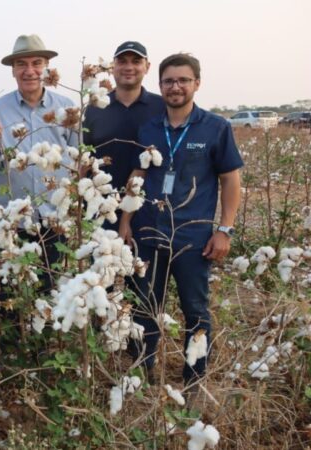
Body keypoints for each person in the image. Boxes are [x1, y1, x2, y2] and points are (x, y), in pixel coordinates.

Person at [119, 53, 243, 386]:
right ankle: (141, 376)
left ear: (196, 84)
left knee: (196, 311)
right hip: (148, 233)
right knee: (144, 308)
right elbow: (138, 174)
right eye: (169, 81)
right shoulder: (148, 128)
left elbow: (230, 181)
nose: (176, 87)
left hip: (193, 238)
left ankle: (194, 378)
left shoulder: (216, 128)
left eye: (183, 80)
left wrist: (224, 230)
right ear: (160, 86)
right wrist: (126, 219)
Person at [0, 34, 77, 292]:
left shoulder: (67, 108)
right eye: (22, 64)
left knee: (50, 292)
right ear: (13, 70)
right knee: (11, 294)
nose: (30, 71)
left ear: (46, 67)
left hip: (54, 221)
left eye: (36, 63)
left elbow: (79, 162)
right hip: (11, 221)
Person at [83, 41, 165, 231]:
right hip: (102, 210)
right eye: (122, 61)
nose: (129, 67)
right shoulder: (96, 106)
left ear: (147, 67)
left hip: (149, 211)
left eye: (136, 61)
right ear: (113, 66)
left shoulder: (161, 107)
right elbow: (85, 158)